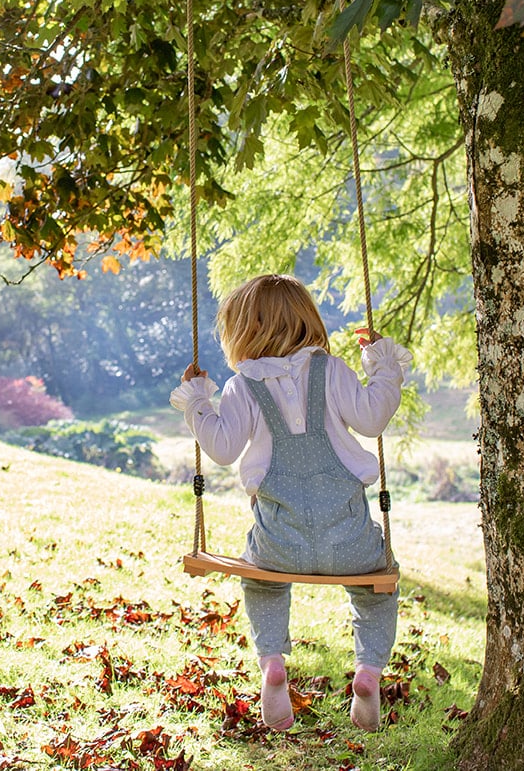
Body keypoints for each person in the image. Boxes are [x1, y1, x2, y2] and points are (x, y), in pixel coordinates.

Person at [170, 273, 410, 732]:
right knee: (378, 588)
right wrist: (381, 365)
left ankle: (272, 663)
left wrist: (198, 401)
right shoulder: (332, 370)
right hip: (350, 543)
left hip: (278, 542)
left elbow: (220, 449)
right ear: (307, 320)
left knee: (262, 582)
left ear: (242, 330)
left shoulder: (242, 386)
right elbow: (374, 418)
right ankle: (368, 672)